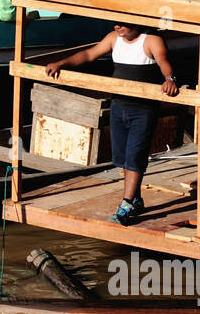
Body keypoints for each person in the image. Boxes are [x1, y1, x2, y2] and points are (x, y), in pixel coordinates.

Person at [45, 25, 178, 225]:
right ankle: (135, 199)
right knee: (123, 159)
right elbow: (89, 54)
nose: (118, 26)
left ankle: (125, 205)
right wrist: (61, 63)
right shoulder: (113, 38)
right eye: (115, 23)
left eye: (122, 23)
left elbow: (163, 62)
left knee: (135, 157)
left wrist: (169, 79)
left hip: (143, 109)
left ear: (135, 20)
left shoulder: (151, 39)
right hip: (118, 106)